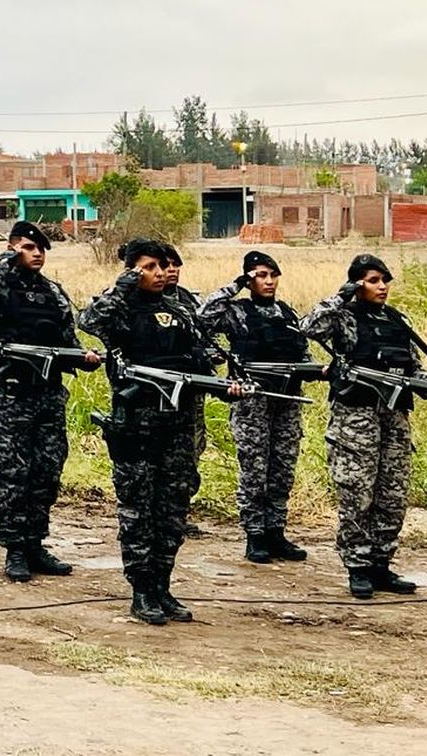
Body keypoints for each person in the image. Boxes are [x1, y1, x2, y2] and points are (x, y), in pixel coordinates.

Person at [78, 238, 231, 625]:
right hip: (136, 425)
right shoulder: (119, 308)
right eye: (149, 267)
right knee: (139, 511)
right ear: (132, 270)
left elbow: (200, 359)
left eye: (163, 266)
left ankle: (162, 586)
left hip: (177, 425)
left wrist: (223, 386)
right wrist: (125, 285)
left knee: (172, 511)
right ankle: (142, 591)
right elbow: (89, 320)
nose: (160, 273)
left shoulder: (179, 310)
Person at [301, 254, 427, 599]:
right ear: (358, 284)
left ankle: (380, 564)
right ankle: (358, 567)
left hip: (394, 419)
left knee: (392, 495)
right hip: (356, 419)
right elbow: (308, 327)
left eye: (385, 280)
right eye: (373, 280)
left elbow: (413, 370)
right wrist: (343, 293)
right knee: (357, 494)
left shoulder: (396, 321)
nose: (382, 287)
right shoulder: (344, 317)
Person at [0, 221, 99, 582]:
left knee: (46, 472)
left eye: (40, 249)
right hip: (12, 394)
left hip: (49, 394)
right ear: (11, 249)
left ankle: (36, 543)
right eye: (27, 247)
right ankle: (15, 549)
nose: (36, 253)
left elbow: (68, 340)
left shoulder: (54, 293)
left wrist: (81, 358)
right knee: (12, 473)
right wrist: (6, 262)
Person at [198, 251, 309, 564]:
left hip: (286, 400)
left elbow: (301, 351)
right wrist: (235, 286)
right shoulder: (237, 311)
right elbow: (204, 315)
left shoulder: (286, 313)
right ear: (249, 279)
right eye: (260, 275)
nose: (268, 281)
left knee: (282, 469)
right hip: (252, 402)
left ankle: (276, 531)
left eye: (273, 275)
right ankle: (254, 535)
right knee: (254, 470)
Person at [161, 243, 207, 537]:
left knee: (191, 450)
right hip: (160, 392)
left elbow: (205, 332)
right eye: (165, 266)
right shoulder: (140, 300)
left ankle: (179, 511)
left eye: (176, 265)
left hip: (191, 391)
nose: (172, 271)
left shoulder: (189, 300)